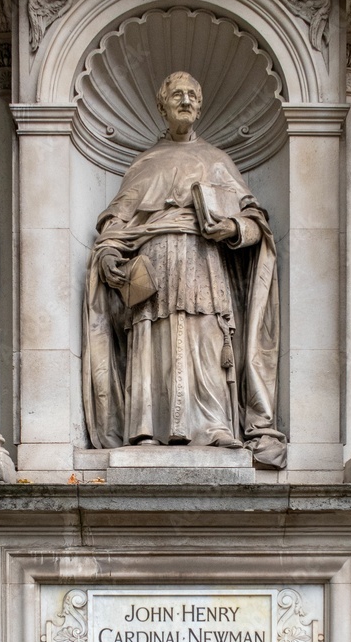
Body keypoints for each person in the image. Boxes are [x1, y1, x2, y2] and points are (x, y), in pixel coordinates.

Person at [82, 71, 286, 469]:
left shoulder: (217, 161)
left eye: (192, 94)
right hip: (154, 261)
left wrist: (232, 228)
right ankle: (146, 427)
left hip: (204, 259)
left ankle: (214, 424)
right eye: (177, 94)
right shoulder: (145, 164)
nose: (186, 100)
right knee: (152, 337)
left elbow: (254, 222)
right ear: (162, 106)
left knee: (208, 335)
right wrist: (108, 254)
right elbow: (117, 221)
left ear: (201, 105)